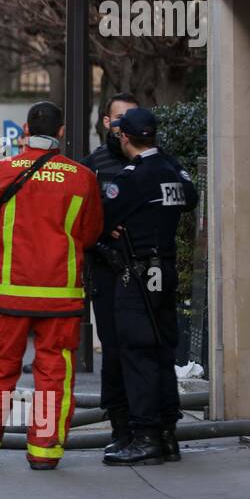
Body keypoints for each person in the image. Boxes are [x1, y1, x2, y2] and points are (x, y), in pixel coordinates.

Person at [0, 101, 102, 471]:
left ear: (25, 129)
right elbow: (89, 233)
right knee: (54, 371)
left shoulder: (1, 171)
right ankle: (44, 451)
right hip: (61, 295)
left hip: (11, 291)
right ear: (62, 131)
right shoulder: (81, 177)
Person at [100, 107, 198, 466]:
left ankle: (144, 437)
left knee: (138, 353)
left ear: (124, 137)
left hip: (137, 274)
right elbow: (190, 198)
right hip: (166, 270)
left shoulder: (131, 179)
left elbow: (101, 219)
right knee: (161, 352)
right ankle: (167, 434)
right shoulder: (172, 170)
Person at [83, 93, 140, 452]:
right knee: (115, 351)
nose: (125, 127)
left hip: (144, 269)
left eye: (132, 119)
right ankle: (121, 426)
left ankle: (148, 425)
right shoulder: (91, 166)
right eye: (119, 119)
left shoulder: (152, 163)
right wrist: (103, 239)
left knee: (144, 349)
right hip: (106, 272)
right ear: (106, 123)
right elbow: (79, 223)